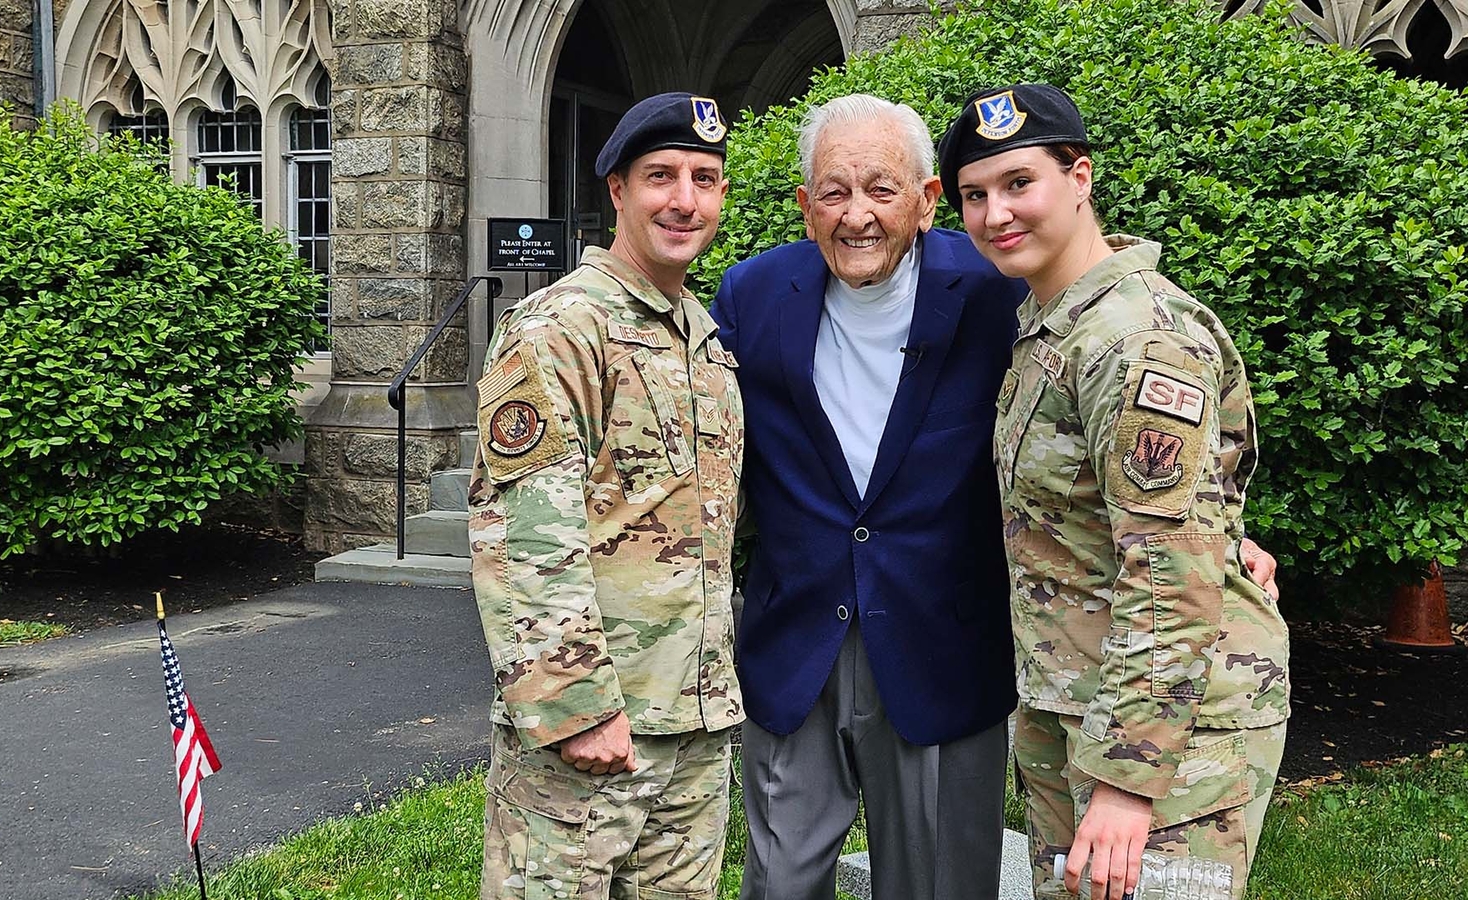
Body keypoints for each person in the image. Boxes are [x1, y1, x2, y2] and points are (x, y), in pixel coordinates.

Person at [940, 83, 1291, 900]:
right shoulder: (1056, 323)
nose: (996, 214)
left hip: (1166, 740)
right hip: (1081, 706)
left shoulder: (1135, 342)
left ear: (1081, 177)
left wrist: (1131, 782)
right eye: (975, 195)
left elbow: (1171, 575)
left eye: (1019, 183)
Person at [710, 93, 1022, 900]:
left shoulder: (997, 292)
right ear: (806, 207)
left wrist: (1218, 533)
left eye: (881, 190)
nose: (857, 215)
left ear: (925, 201)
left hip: (942, 647)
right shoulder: (751, 295)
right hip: (795, 647)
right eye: (835, 192)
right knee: (778, 884)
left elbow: (1080, 425)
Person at [469, 92, 744, 900]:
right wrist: (576, 704)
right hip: (591, 731)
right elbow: (523, 536)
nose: (684, 199)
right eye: (661, 176)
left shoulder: (701, 338)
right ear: (618, 191)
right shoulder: (559, 327)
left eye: (705, 177)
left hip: (694, 724)